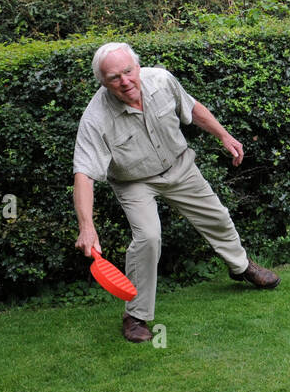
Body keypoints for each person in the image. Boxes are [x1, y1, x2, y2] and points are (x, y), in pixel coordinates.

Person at [72, 42, 278, 343]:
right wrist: (87, 227)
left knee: (217, 217)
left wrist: (223, 135)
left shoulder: (161, 80)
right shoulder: (95, 119)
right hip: (134, 181)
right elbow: (84, 174)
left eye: (128, 71)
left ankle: (241, 267)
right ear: (103, 82)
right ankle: (136, 315)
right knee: (148, 238)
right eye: (114, 77)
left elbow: (191, 108)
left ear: (137, 67)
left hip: (179, 166)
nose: (125, 81)